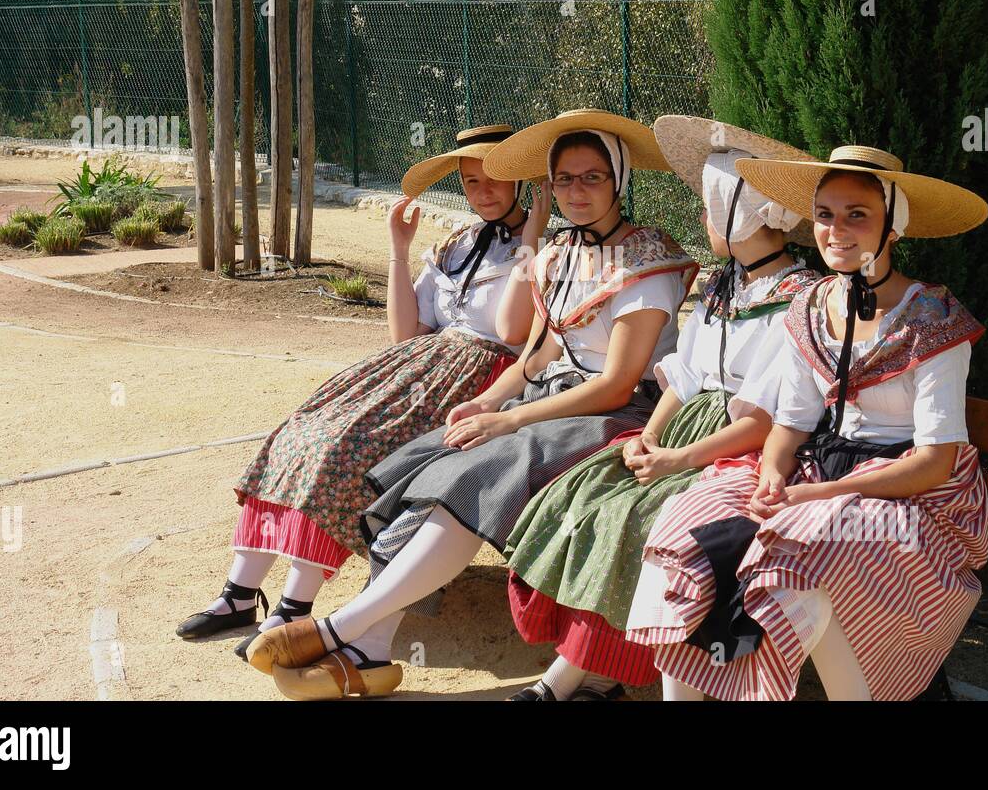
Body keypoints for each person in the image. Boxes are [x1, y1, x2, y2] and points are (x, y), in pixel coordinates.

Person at [244, 109, 700, 700]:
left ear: (619, 180)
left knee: (476, 472)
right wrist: (484, 402)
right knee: (428, 459)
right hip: (549, 401)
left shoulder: (647, 260)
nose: (577, 192)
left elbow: (616, 384)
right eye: (565, 179)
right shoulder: (558, 253)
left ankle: (342, 630)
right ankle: (371, 646)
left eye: (592, 177)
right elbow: (536, 356)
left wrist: (508, 419)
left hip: (615, 417)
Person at [626, 144, 988, 701]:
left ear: (894, 227)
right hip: (816, 474)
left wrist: (820, 493)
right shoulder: (812, 307)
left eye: (858, 215)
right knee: (685, 528)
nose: (836, 230)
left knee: (798, 561)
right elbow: (791, 425)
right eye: (825, 214)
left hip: (912, 498)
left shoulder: (933, 321)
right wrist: (774, 473)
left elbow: (933, 462)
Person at [174, 125, 537, 659]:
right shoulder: (457, 244)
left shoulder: (545, 246)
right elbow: (405, 333)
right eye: (470, 181)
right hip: (413, 365)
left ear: (520, 179)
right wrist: (399, 249)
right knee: (303, 432)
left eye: (494, 179)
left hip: (480, 380)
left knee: (342, 452)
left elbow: (510, 334)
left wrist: (531, 239)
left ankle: (293, 610)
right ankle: (239, 592)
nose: (482, 192)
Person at [503, 115, 820, 700]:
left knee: (638, 521)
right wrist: (648, 437)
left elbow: (765, 421)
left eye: (709, 203)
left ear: (741, 209)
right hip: (684, 432)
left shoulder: (798, 301)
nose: (703, 215)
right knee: (584, 494)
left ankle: (568, 678)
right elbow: (684, 376)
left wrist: (678, 460)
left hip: (736, 450)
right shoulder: (727, 288)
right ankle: (592, 670)